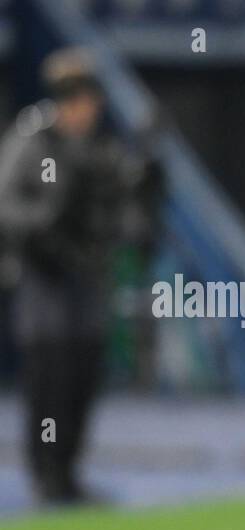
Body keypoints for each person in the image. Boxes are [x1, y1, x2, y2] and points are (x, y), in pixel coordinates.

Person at [0, 48, 156, 505]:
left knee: (83, 375)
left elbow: (123, 215)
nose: (88, 109)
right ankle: (44, 475)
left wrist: (139, 200)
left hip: (88, 277)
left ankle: (68, 472)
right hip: (46, 277)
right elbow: (7, 206)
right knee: (49, 376)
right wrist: (41, 221)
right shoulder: (33, 142)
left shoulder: (101, 149)